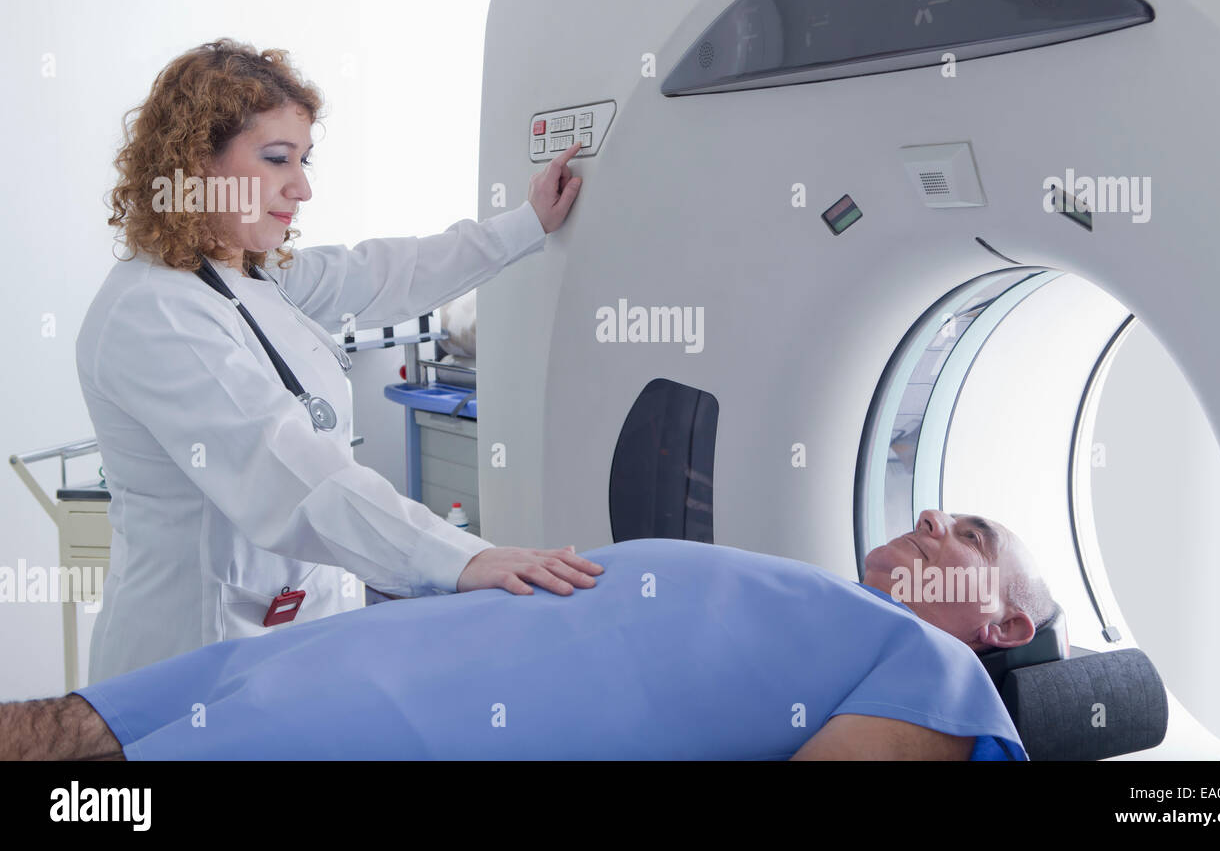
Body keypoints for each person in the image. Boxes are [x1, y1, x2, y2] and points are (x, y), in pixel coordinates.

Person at [76, 39, 601, 683]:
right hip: (199, 656)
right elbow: (291, 470)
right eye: (277, 160)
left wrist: (526, 225)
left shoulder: (251, 275)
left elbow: (384, 272)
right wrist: (460, 558)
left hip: (296, 638)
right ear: (196, 166)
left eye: (303, 160)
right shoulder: (155, 310)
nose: (302, 187)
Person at [0, 510, 1050, 760]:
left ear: (1003, 619)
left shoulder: (938, 666)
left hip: (413, 719)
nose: (930, 519)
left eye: (969, 533)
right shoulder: (830, 601)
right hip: (373, 649)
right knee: (67, 722)